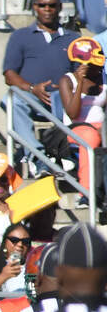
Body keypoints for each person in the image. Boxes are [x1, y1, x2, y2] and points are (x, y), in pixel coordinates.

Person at [2, 0, 70, 106]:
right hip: (32, 96)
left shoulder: (73, 38)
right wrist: (33, 89)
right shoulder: (19, 36)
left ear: (60, 7)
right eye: (42, 5)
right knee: (13, 99)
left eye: (52, 5)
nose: (47, 9)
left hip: (65, 97)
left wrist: (67, 86)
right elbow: (9, 75)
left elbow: (81, 74)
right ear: (35, 7)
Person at [59, 35, 105, 199]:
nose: (98, 68)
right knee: (90, 137)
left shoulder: (103, 81)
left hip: (101, 126)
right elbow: (73, 113)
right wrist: (79, 84)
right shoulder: (68, 80)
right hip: (77, 128)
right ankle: (86, 192)